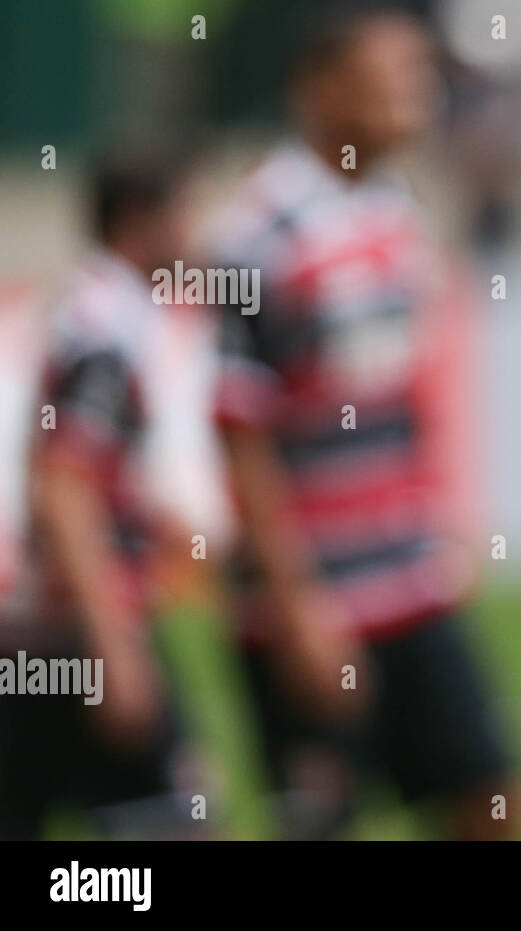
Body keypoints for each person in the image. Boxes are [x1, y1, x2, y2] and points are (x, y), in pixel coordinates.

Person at [207, 5, 516, 839]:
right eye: (391, 82)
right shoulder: (257, 236)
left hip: (410, 581)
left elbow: (403, 401)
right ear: (319, 89)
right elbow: (239, 430)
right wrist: (297, 603)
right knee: (317, 822)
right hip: (312, 602)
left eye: (421, 81)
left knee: (495, 799)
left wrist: (439, 527)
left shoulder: (397, 212)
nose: (415, 100)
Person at [0, 152, 197, 839]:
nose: (196, 238)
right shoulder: (108, 325)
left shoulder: (85, 304)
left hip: (35, 626)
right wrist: (113, 643)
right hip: (78, 627)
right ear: (141, 221)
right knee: (169, 827)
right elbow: (64, 483)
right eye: (185, 214)